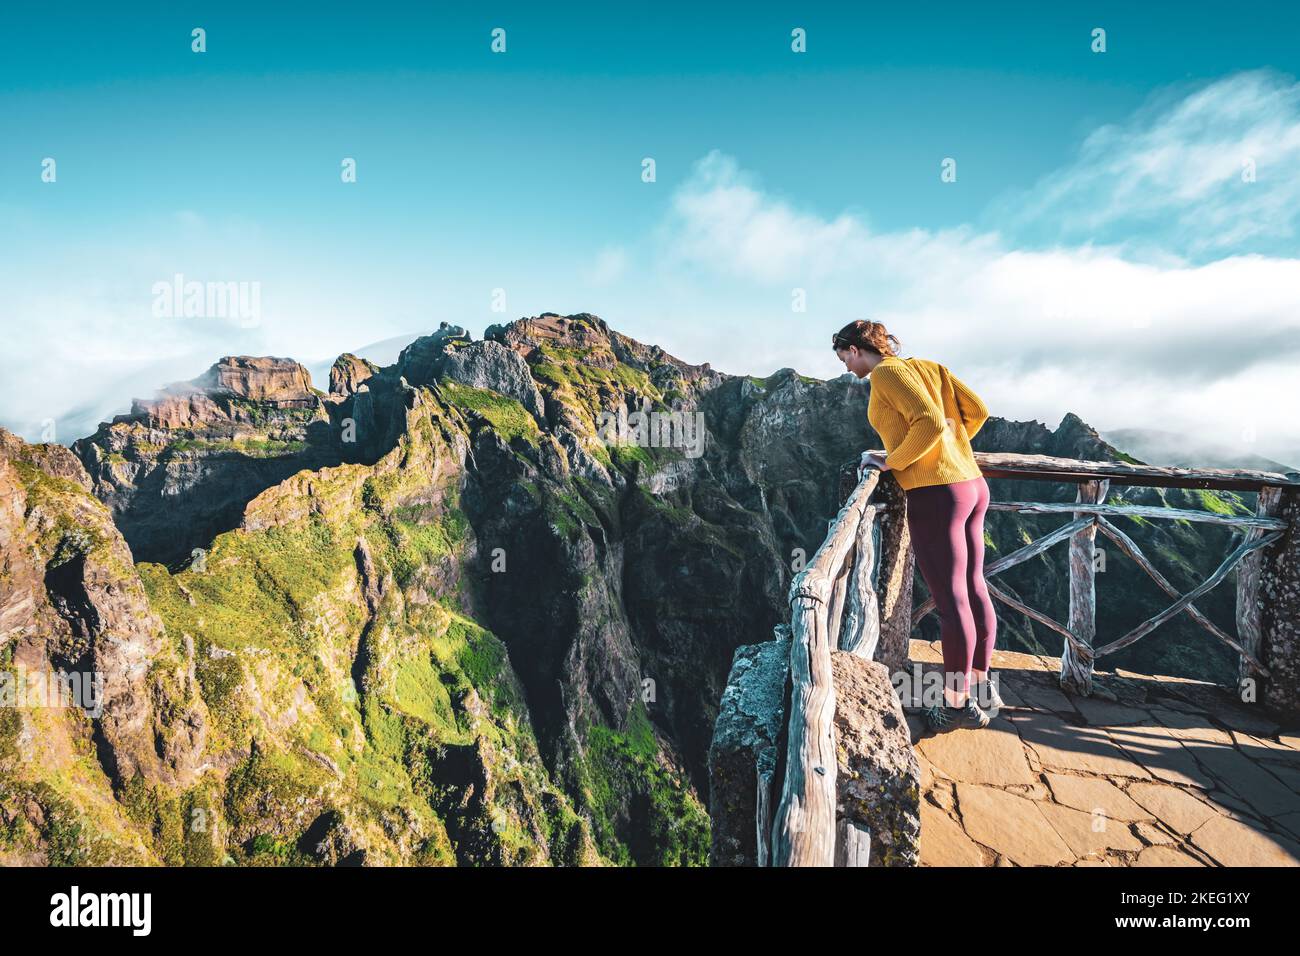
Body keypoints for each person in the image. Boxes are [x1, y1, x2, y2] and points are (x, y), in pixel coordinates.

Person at [832, 319, 1002, 731]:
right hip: (971, 484)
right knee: (974, 586)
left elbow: (926, 420)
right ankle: (980, 686)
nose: (845, 368)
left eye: (842, 357)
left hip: (938, 491)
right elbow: (976, 411)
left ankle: (957, 704)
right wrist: (953, 448)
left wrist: (893, 461)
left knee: (951, 599)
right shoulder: (928, 366)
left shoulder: (886, 374)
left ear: (854, 349)